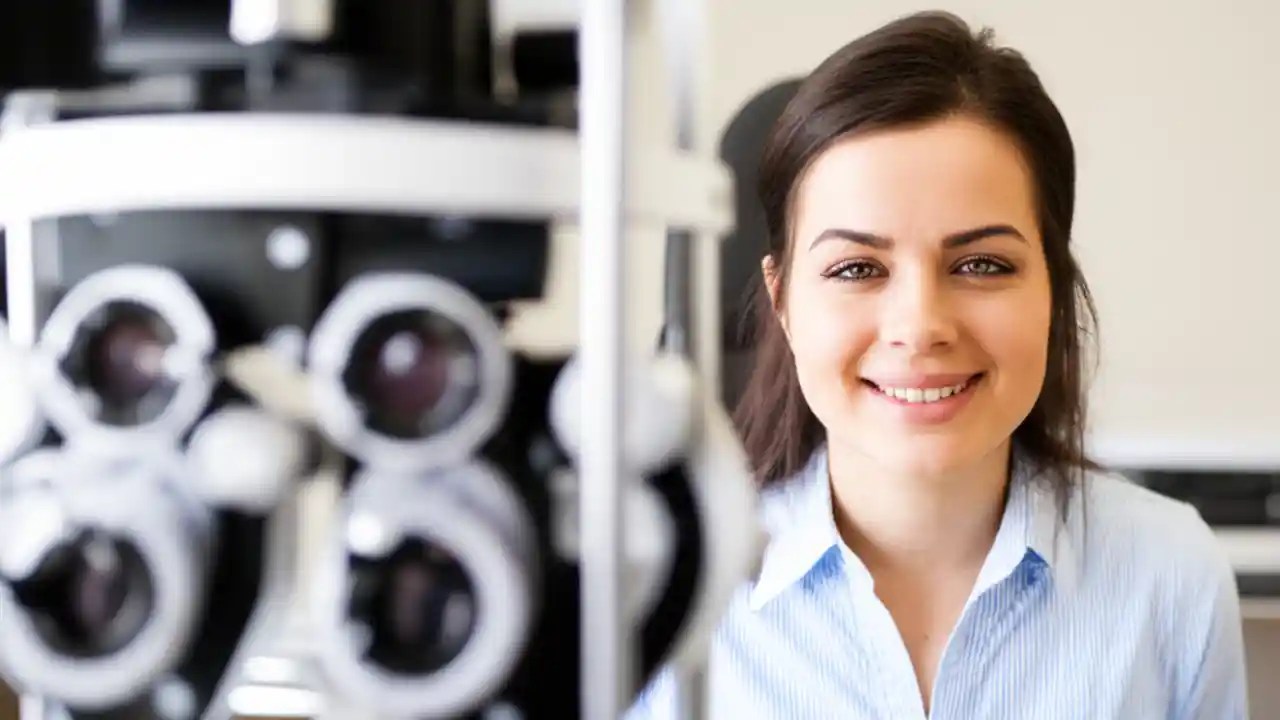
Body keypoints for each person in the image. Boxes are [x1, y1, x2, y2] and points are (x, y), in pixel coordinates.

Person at [629, 10, 1248, 720]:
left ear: (1051, 288)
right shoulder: (656, 593)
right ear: (782, 301)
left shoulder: (1170, 576)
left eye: (981, 264)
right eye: (857, 268)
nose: (920, 327)